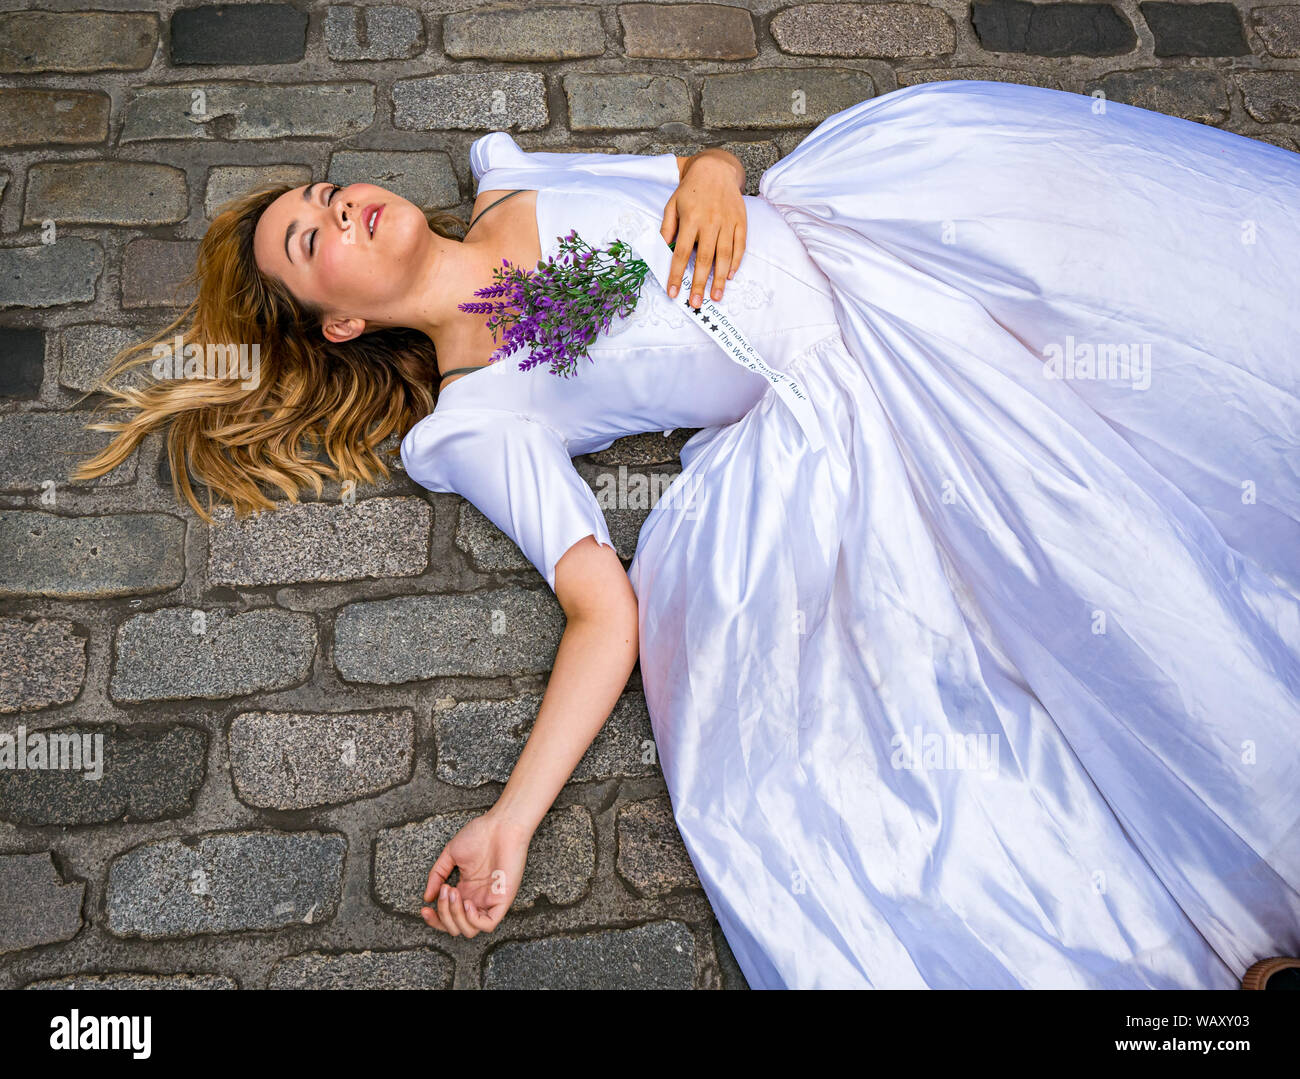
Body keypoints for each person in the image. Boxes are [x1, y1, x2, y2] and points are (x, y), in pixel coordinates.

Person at [76, 79, 1300, 989]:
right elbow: (602, 607)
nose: (340, 207)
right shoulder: (476, 415)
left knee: (1153, 335)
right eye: (312, 237)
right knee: (1084, 574)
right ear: (333, 324)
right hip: (851, 401)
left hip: (868, 245)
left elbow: (694, 169)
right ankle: (1228, 940)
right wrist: (510, 819)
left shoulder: (513, 180)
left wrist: (712, 175)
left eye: (325, 192)